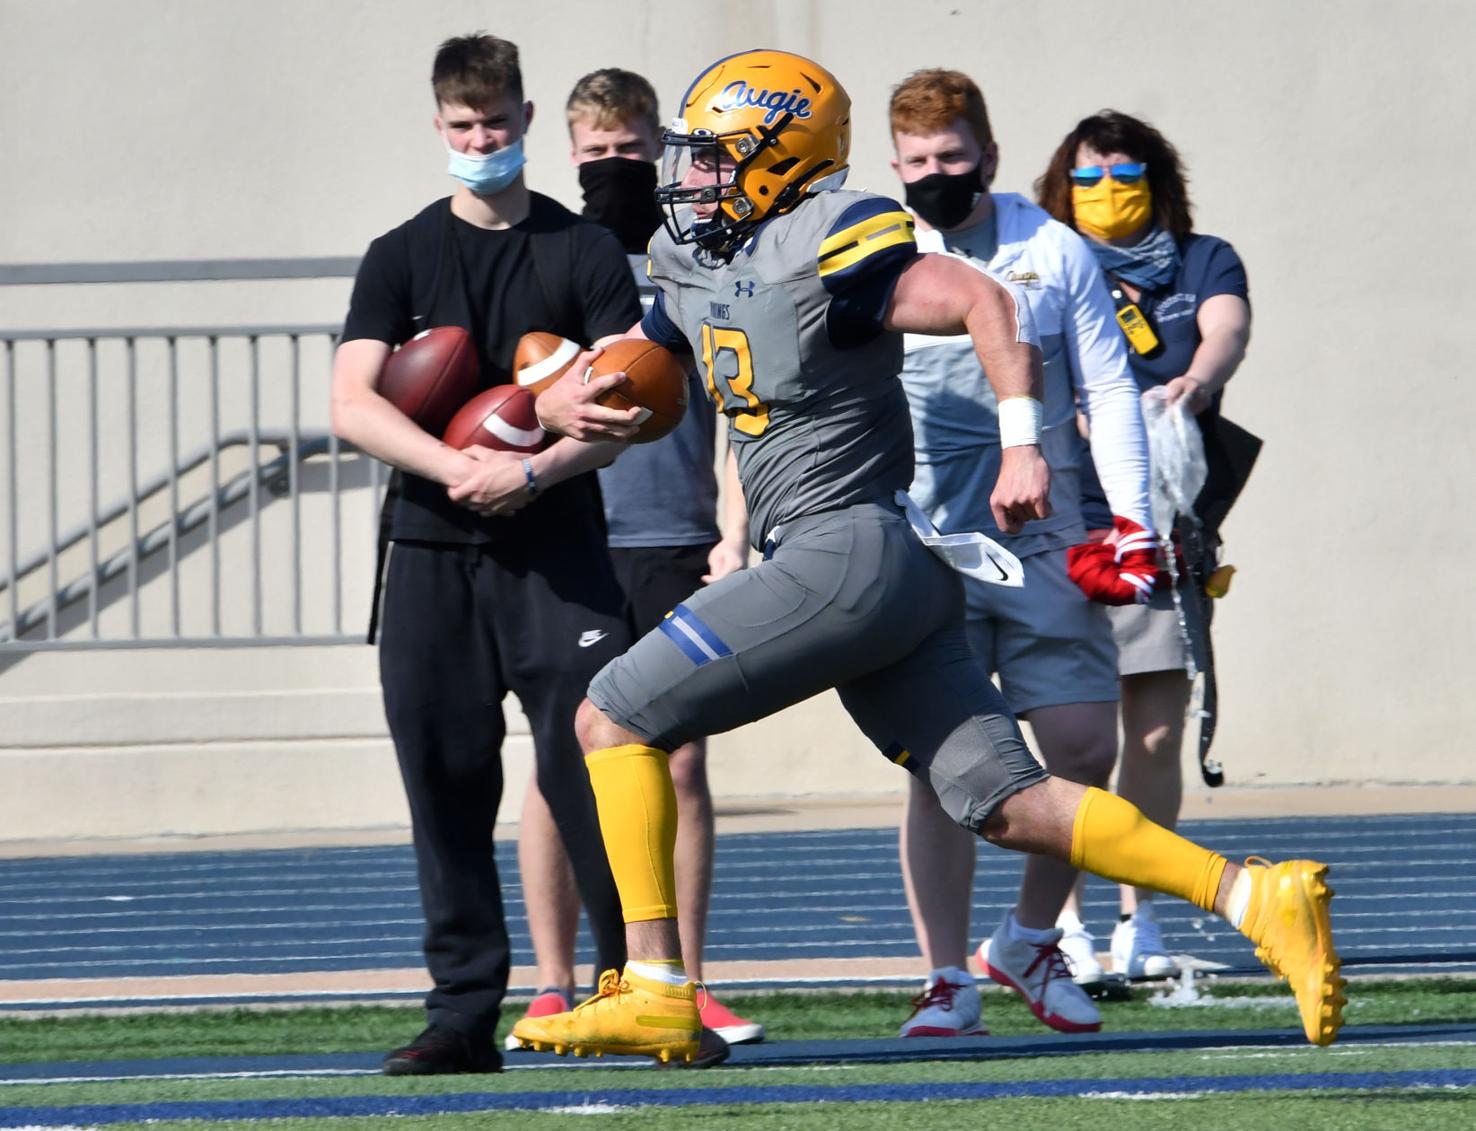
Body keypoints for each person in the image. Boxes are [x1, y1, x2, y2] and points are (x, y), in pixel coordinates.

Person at [511, 49, 1342, 1065]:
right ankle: (1260, 896)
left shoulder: (833, 230)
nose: (689, 180)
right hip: (881, 577)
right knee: (1008, 803)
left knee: (613, 714)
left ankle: (655, 986)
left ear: (777, 159)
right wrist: (546, 429)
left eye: (714, 160)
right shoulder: (692, 262)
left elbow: (988, 305)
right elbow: (627, 394)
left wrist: (1024, 437)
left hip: (846, 548)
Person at [329, 33, 641, 1075]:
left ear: (524, 119)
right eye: (462, 127)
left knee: (594, 766)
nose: (480, 141)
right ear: (439, 128)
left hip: (557, 552)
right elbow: (351, 402)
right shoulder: (402, 254)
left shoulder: (581, 251)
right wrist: (455, 466)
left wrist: (529, 471)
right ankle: (464, 1013)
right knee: (446, 778)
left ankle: (624, 992)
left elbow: (625, 403)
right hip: (428, 551)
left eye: (496, 124)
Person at [885, 69, 1154, 1038]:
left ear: (989, 157)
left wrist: (1131, 521)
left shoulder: (1054, 248)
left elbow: (1112, 388)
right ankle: (945, 975)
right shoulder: (880, 251)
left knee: (1085, 745)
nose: (935, 175)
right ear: (894, 166)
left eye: (952, 157)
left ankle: (1031, 939)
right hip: (928, 543)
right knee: (937, 767)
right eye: (917, 161)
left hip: (1045, 532)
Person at [503, 66, 763, 1050]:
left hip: (674, 537)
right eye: (597, 152)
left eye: (631, 149)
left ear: (663, 149)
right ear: (568, 153)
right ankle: (554, 979)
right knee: (555, 762)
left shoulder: (697, 257)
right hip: (570, 539)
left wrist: (734, 536)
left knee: (683, 763)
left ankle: (682, 980)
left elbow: (740, 412)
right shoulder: (545, 259)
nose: (614, 165)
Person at [1036, 111, 1253, 981]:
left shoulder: (1201, 258)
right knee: (1070, 736)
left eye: (1125, 176)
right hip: (1061, 518)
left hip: (1161, 521)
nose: (1107, 195)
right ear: (1062, 186)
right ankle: (1061, 921)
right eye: (1088, 179)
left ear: (1159, 181)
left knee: (1155, 734)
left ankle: (1143, 913)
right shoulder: (1045, 256)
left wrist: (1193, 386)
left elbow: (1226, 330)